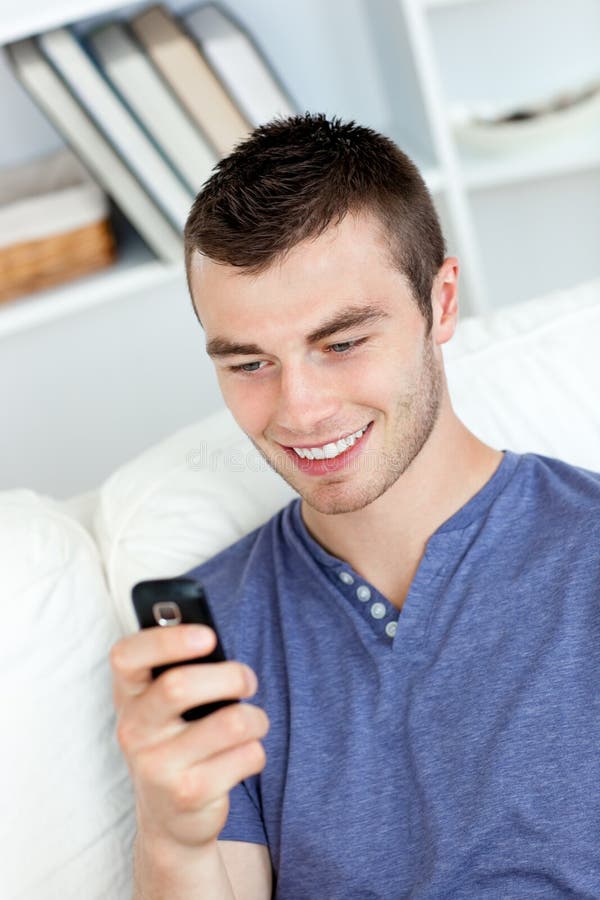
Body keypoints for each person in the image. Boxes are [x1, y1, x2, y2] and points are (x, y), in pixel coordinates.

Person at [110, 113, 600, 899]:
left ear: (441, 305)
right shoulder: (216, 633)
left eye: (341, 343)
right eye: (250, 363)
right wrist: (172, 840)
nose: (298, 410)